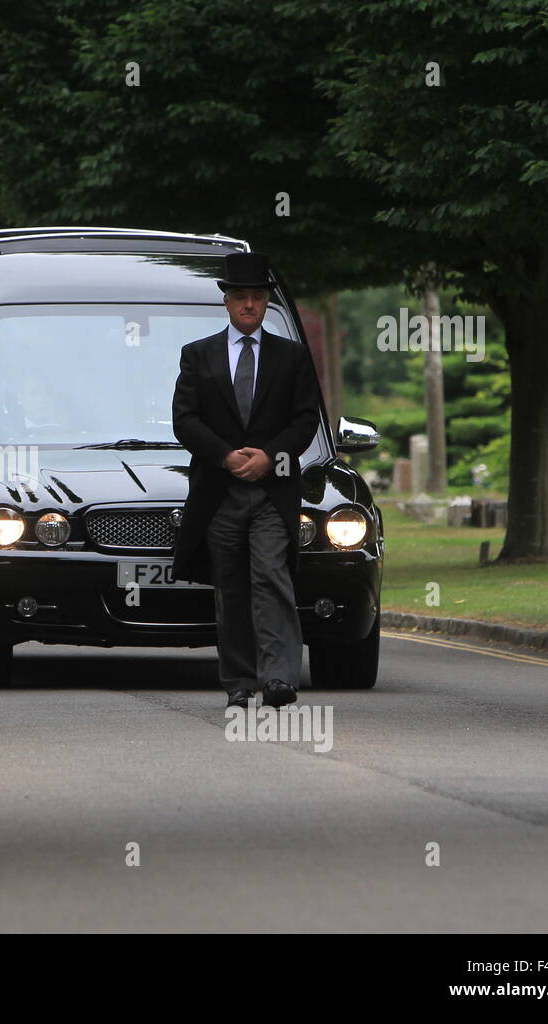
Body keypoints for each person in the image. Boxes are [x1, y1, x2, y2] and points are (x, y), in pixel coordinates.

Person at [171, 251, 322, 708]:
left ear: (266, 302)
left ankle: (279, 678)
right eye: (241, 297)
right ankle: (239, 680)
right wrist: (225, 457)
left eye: (257, 297)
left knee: (271, 576)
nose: (250, 305)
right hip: (219, 493)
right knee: (230, 585)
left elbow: (305, 419)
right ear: (227, 301)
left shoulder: (292, 357)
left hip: (272, 492)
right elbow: (185, 420)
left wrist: (270, 457)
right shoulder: (198, 355)